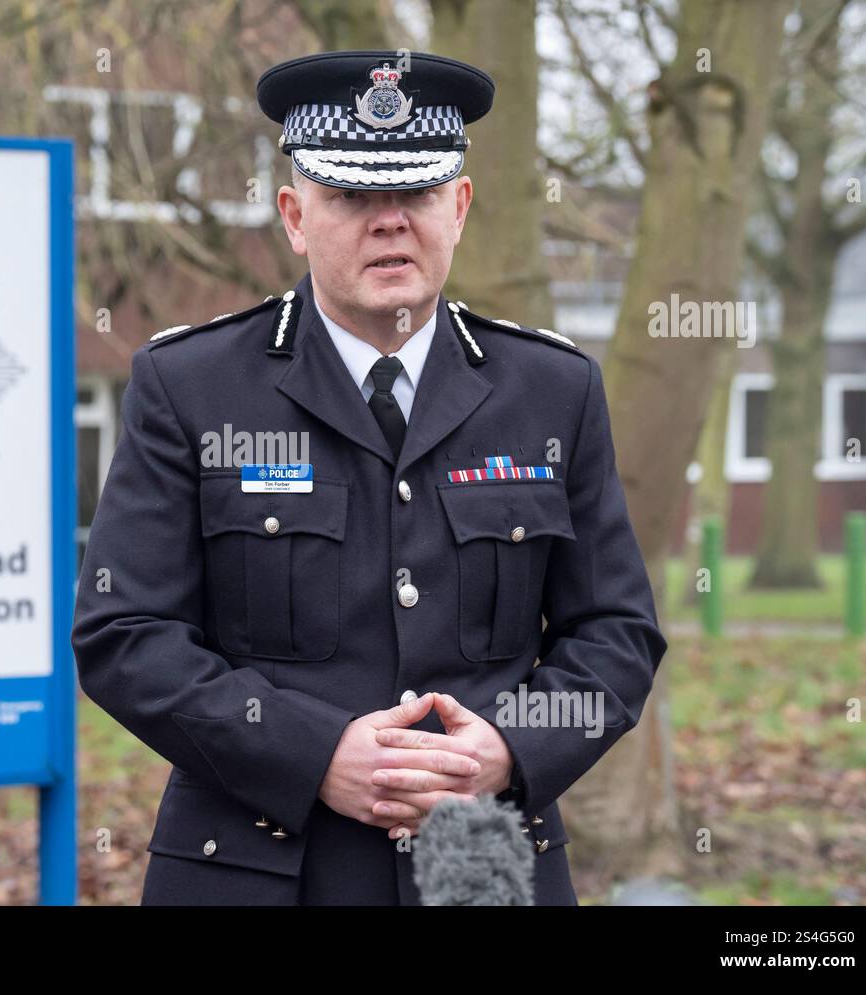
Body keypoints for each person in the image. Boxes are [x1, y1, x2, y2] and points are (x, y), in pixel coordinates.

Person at [71, 49, 667, 905]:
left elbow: (615, 633)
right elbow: (123, 631)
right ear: (294, 215)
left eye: (417, 193)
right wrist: (312, 752)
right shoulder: (191, 387)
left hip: (485, 865)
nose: (391, 222)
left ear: (458, 207)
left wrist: (506, 747)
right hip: (257, 871)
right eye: (352, 195)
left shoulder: (553, 391)